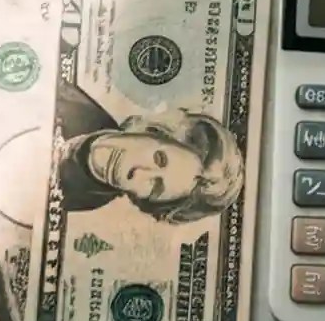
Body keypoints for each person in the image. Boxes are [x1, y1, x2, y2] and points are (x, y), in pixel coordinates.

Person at [55, 82, 245, 224]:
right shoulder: (66, 99)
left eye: (155, 186)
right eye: (159, 158)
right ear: (153, 130)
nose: (138, 173)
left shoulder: (85, 201)